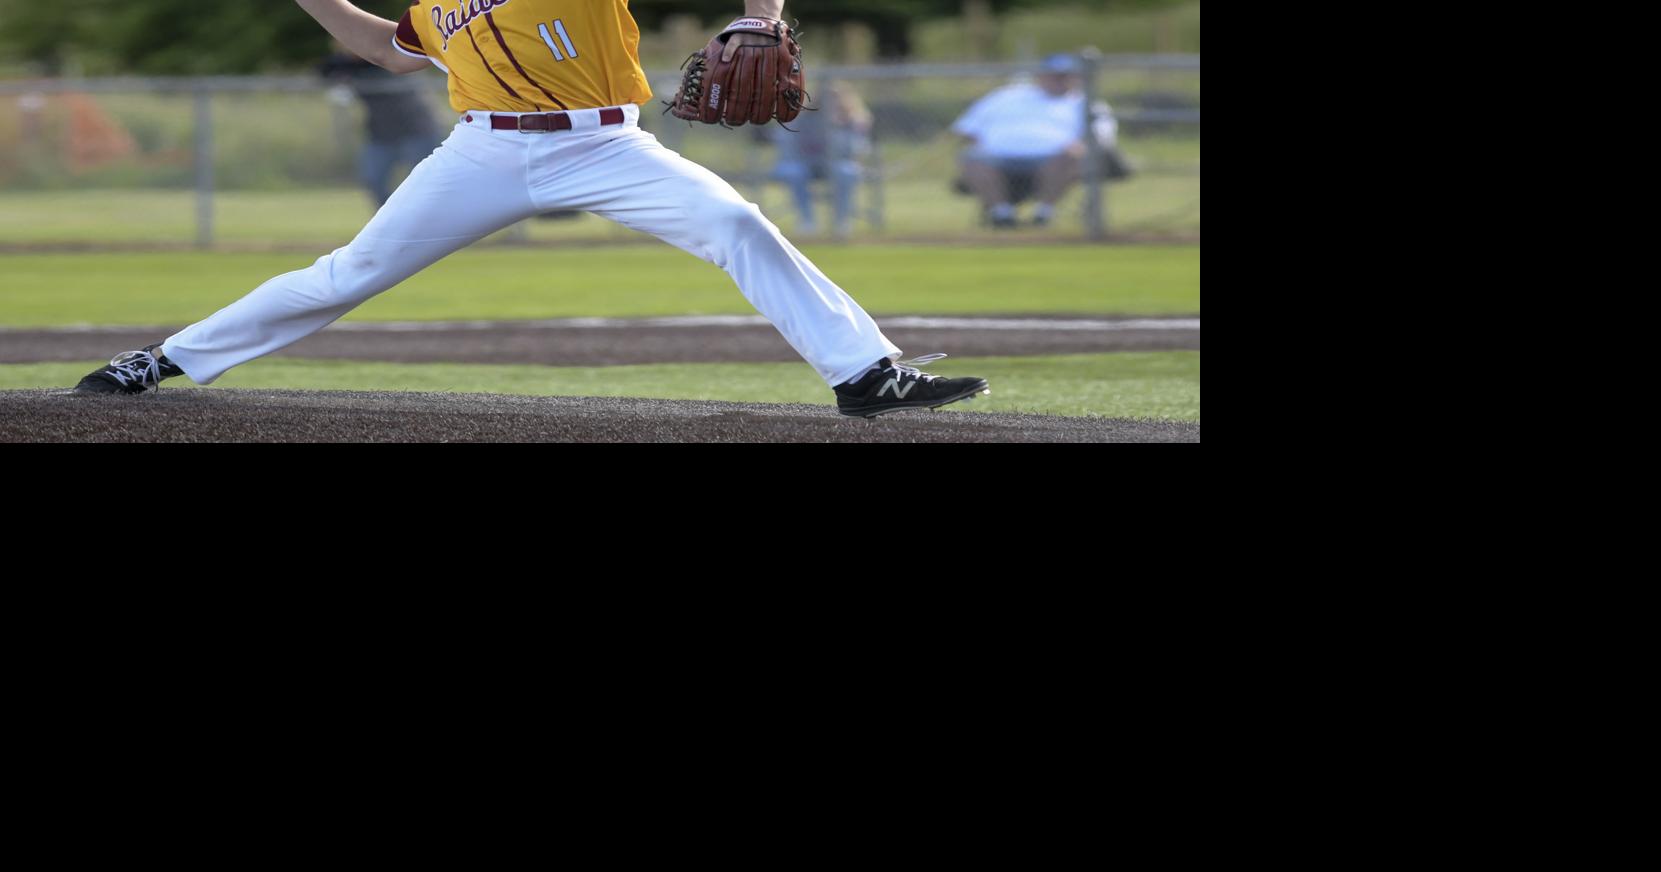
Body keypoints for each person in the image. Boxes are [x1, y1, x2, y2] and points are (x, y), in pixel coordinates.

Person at [74, 0, 988, 419]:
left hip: (606, 142)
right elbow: (385, 51)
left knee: (737, 222)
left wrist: (763, 15)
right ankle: (164, 358)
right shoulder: (439, 7)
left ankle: (867, 376)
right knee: (347, 271)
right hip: (483, 150)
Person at [951, 54, 1121, 228]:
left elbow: (1101, 137)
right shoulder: (1006, 96)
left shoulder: (1087, 102)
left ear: (1076, 77)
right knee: (972, 156)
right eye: (1053, 75)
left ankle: (1043, 214)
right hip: (999, 158)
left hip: (1055, 159)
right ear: (1040, 76)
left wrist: (1079, 146)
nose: (1059, 80)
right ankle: (1001, 215)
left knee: (1073, 155)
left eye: (1066, 76)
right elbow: (967, 129)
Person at [320, 40, 444, 208]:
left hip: (416, 129)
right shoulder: (348, 65)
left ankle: (424, 221)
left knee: (423, 183)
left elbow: (375, 61)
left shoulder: (384, 60)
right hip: (381, 133)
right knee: (373, 178)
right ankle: (394, 220)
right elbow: (326, 70)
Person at [768, 84, 871, 239]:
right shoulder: (801, 118)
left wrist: (836, 128)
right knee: (795, 172)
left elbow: (858, 148)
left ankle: (840, 222)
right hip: (802, 163)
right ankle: (807, 221)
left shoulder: (851, 121)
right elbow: (785, 141)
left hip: (835, 164)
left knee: (846, 172)